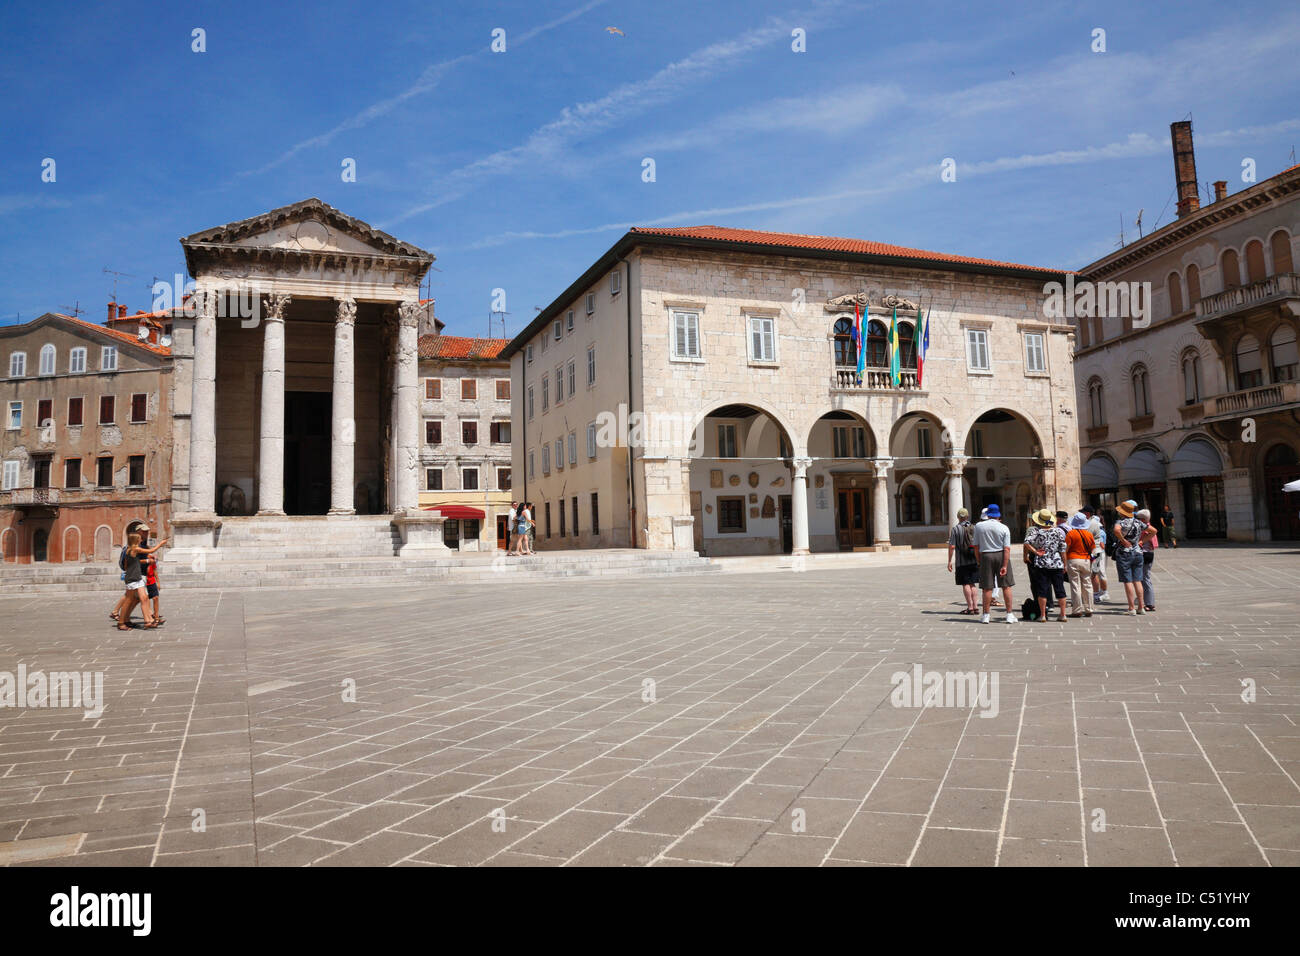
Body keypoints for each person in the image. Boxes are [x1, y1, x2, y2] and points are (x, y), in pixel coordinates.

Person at [1113, 500, 1156, 616]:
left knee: (1128, 581)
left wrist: (1123, 540)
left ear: (1122, 512)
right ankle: (1141, 607)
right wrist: (1141, 541)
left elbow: (1116, 530)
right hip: (1138, 552)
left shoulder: (1120, 522)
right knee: (1137, 580)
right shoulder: (1138, 522)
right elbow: (1153, 531)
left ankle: (1131, 607)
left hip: (1124, 553)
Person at [1024, 508, 1067, 623]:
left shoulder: (1036, 531)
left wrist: (1035, 551)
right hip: (1056, 563)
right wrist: (1065, 564)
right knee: (1060, 589)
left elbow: (1026, 542)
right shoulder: (1057, 531)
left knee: (1042, 589)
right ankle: (1063, 614)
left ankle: (1043, 615)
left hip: (1041, 563)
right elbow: (1063, 549)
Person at [975, 504, 1016, 623]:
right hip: (1001, 555)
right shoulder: (1004, 527)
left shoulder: (979, 526)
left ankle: (986, 615)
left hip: (986, 555)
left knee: (987, 587)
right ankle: (1009, 614)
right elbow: (1007, 548)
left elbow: (976, 546)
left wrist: (978, 560)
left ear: (988, 515)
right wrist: (1005, 565)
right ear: (998, 515)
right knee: (1006, 586)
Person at [117, 532, 164, 630]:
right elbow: (151, 550)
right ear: (135, 540)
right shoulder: (134, 549)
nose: (140, 540)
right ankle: (121, 623)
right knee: (128, 600)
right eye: (139, 539)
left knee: (144, 598)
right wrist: (161, 543)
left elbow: (126, 565)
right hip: (133, 578)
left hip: (137, 577)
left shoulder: (129, 550)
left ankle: (148, 621)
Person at [946, 507, 979, 614]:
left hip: (962, 561)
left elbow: (952, 546)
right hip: (974, 560)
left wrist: (949, 561)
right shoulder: (974, 528)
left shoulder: (955, 529)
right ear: (967, 516)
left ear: (958, 517)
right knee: (973, 584)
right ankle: (976, 606)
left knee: (965, 584)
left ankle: (970, 607)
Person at [1065, 513, 1096, 617]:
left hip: (1073, 559)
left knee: (1075, 585)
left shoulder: (1071, 534)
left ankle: (1077, 610)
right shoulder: (1089, 534)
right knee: (1087, 584)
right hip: (1086, 560)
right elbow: (1093, 548)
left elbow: (1066, 549)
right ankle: (1089, 608)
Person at [1083, 506, 1109, 602]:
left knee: (1099, 572)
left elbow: (1101, 544)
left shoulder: (1093, 525)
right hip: (1096, 552)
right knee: (1095, 573)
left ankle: (1104, 593)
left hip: (1097, 552)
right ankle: (1098, 593)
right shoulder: (1095, 525)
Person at [1137, 507, 1158, 612]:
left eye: (1138, 518)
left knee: (1145, 578)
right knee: (1144, 577)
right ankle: (1147, 600)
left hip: (1145, 554)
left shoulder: (1146, 528)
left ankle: (1149, 603)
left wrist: (1141, 541)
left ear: (1143, 519)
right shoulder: (1148, 527)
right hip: (1149, 553)